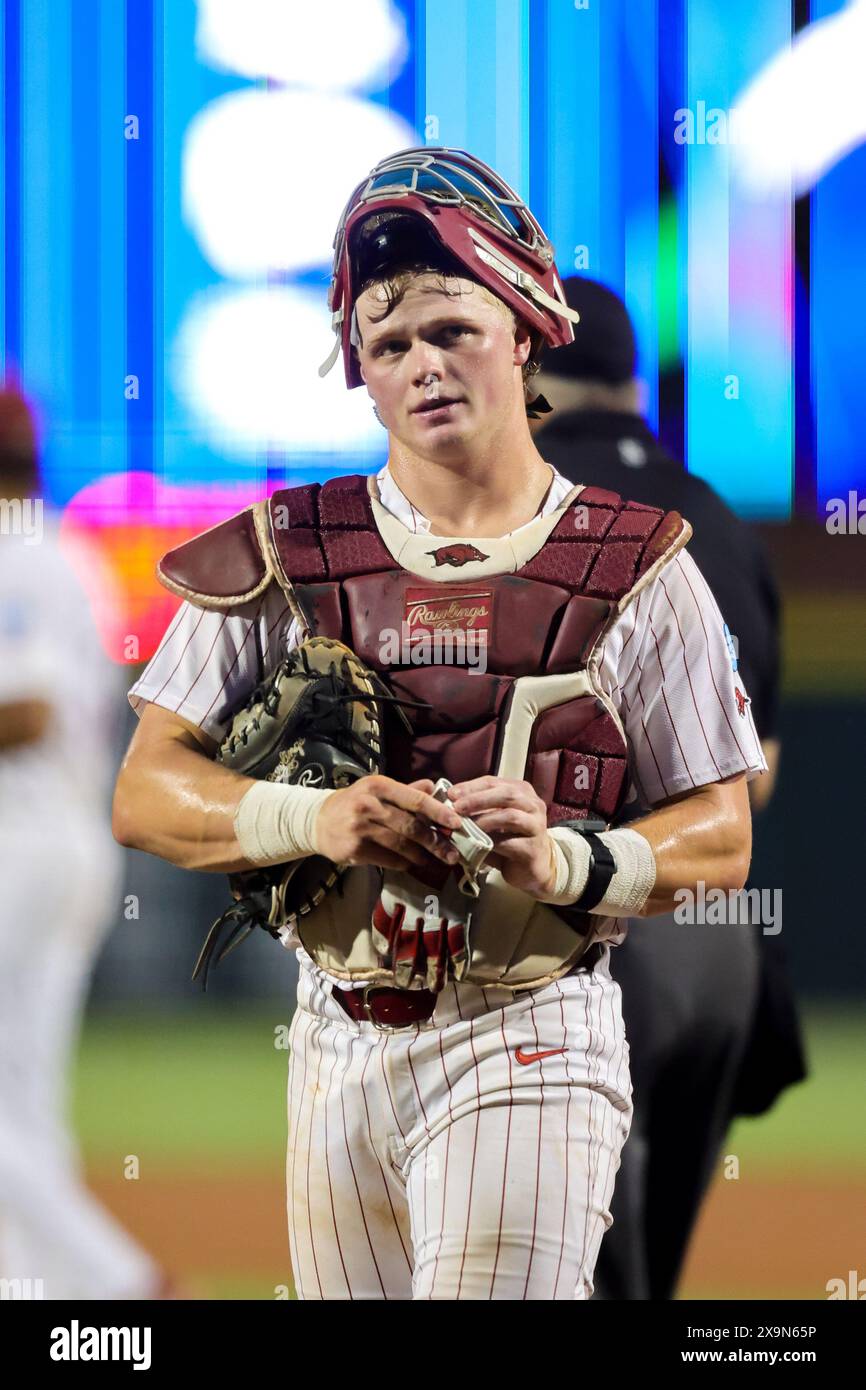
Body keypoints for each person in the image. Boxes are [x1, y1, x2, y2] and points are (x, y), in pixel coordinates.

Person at [113, 148, 766, 1301]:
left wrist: (569, 853)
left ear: (523, 331)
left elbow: (719, 827)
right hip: (330, 1036)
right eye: (387, 343)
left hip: (526, 1025)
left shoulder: (636, 564)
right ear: (357, 369)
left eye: (451, 329)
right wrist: (313, 815)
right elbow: (147, 789)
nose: (420, 364)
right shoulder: (285, 551)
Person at [531, 275, 806, 1300]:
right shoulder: (717, 518)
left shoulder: (510, 500)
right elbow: (756, 775)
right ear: (629, 380)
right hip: (717, 951)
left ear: (526, 364)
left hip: (582, 942)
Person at [0, 386, 166, 1299]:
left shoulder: (18, 557)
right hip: (57, 841)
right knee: (21, 1106)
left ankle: (122, 1284)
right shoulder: (61, 551)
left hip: (21, 846)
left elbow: (25, 708)